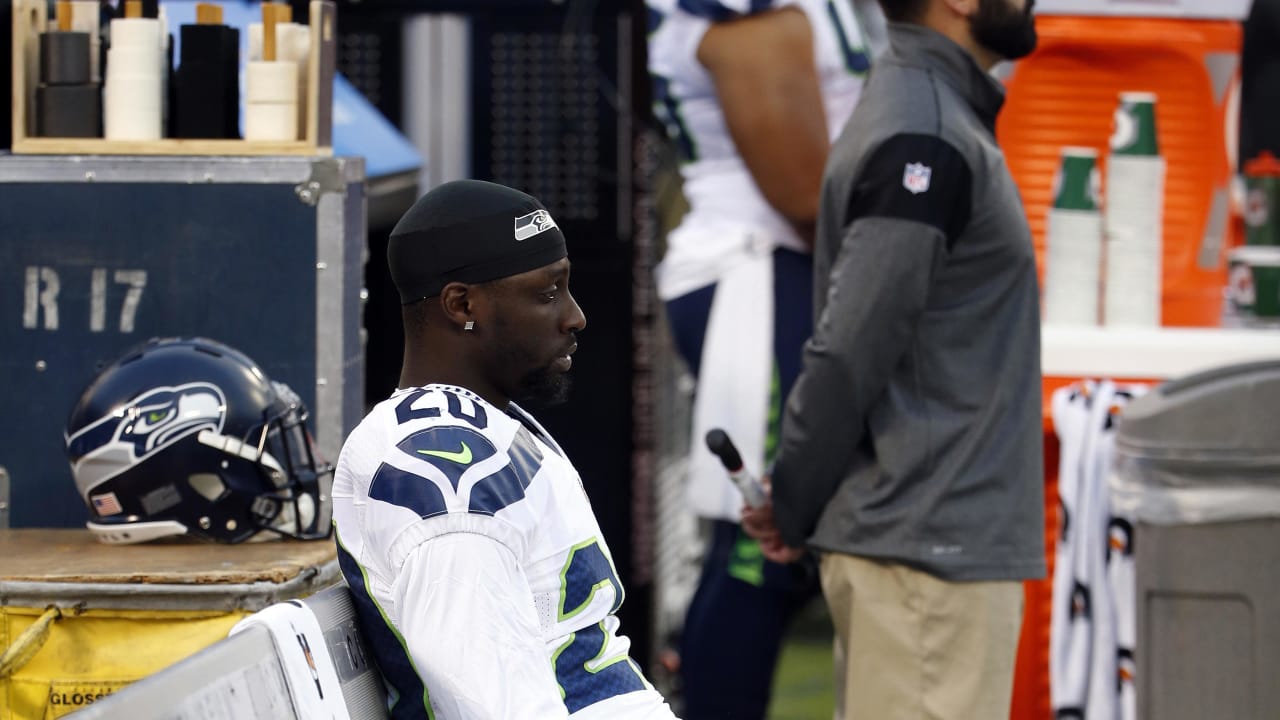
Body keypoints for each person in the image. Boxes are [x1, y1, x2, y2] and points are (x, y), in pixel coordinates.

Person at [741, 0, 1047, 717]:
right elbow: (851, 348)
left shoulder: (931, 115)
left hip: (925, 554)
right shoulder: (926, 130)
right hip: (925, 558)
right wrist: (794, 498)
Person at [331, 180, 679, 719]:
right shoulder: (441, 467)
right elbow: (497, 705)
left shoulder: (492, 424)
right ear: (462, 304)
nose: (575, 316)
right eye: (547, 292)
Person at [646, 1, 882, 716]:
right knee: (761, 550)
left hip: (779, 269)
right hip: (756, 268)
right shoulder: (749, 20)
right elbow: (804, 189)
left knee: (761, 545)